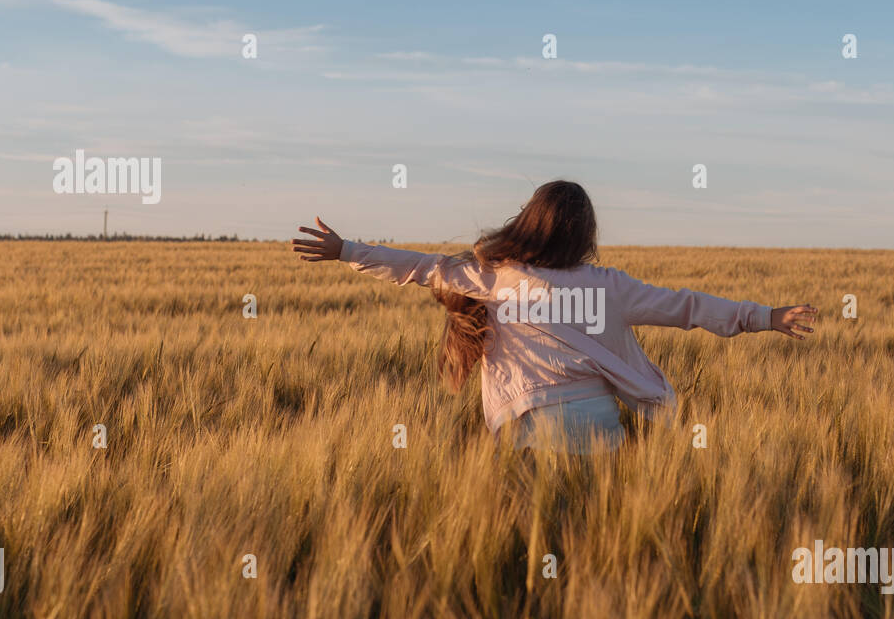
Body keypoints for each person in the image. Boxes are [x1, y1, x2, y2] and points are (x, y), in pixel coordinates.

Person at [292, 180, 817, 452]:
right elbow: (689, 306)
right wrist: (765, 316)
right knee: (597, 539)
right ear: (585, 235)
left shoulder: (494, 276)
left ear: (530, 224)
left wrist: (345, 250)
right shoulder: (612, 287)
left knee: (538, 540)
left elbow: (419, 268)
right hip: (601, 429)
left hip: (529, 428)